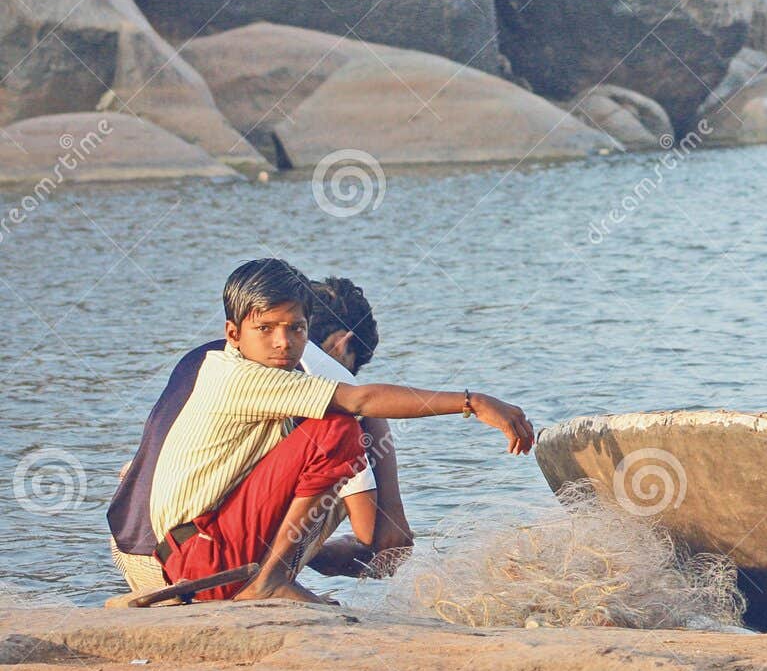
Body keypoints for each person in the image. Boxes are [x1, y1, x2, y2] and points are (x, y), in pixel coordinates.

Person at [108, 258, 534, 603]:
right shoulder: (259, 375)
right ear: (233, 334)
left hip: (144, 557)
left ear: (309, 329)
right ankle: (269, 581)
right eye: (266, 329)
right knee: (337, 431)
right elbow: (362, 410)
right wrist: (471, 401)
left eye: (295, 328)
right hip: (193, 564)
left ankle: (268, 575)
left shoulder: (207, 360)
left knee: (327, 449)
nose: (284, 343)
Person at [296, 276, 414, 579]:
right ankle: (281, 569)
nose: (349, 376)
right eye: (352, 366)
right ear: (342, 342)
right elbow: (369, 533)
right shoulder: (321, 373)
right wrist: (386, 524)